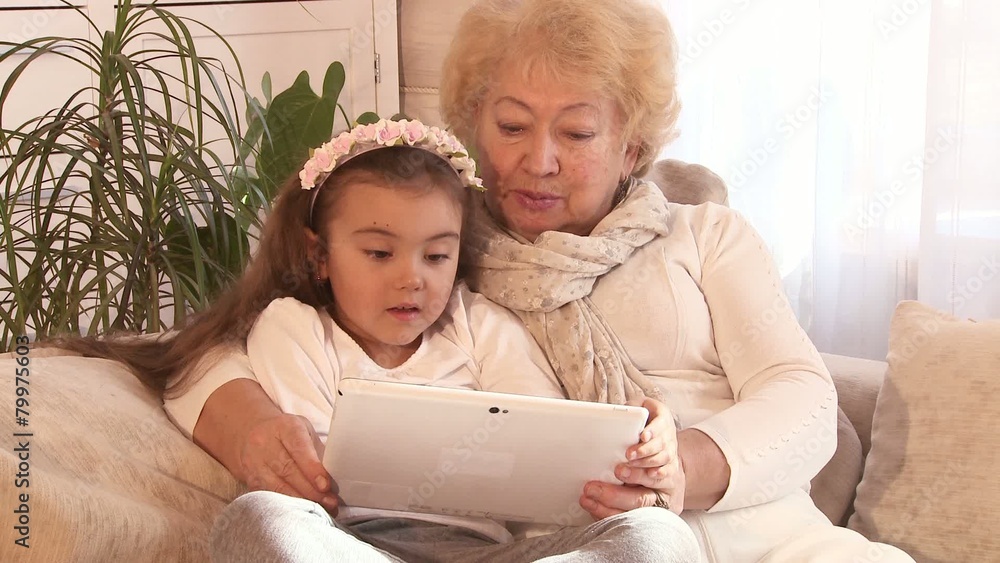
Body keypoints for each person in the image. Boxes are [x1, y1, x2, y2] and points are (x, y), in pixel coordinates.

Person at [163, 1, 916, 562]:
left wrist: (681, 466)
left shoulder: (705, 235)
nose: (539, 161)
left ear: (632, 147)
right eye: (513, 126)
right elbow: (211, 349)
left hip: (767, 538)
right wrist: (256, 428)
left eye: (578, 132)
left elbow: (804, 398)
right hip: (561, 541)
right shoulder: (439, 247)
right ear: (474, 124)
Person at [61, 118, 699, 561]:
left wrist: (633, 445)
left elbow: (540, 431)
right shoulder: (294, 326)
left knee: (659, 537)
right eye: (378, 253)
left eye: (437, 256)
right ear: (320, 255)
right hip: (353, 547)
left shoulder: (482, 324)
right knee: (258, 521)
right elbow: (317, 476)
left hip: (488, 553)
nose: (412, 279)